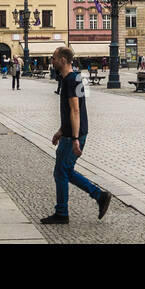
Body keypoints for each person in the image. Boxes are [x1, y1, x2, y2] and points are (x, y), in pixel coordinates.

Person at [41, 47, 112, 225]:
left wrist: (74, 139)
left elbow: (76, 110)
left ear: (63, 60)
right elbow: (74, 109)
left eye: (54, 58)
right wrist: (61, 130)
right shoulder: (78, 78)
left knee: (60, 172)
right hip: (74, 132)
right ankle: (99, 196)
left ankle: (62, 212)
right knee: (66, 171)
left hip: (74, 135)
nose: (52, 61)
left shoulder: (70, 81)